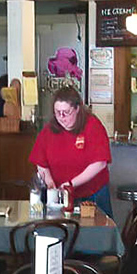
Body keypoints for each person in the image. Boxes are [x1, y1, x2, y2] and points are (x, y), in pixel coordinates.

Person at [29, 85, 113, 217]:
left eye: (66, 112)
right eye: (57, 112)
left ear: (77, 109)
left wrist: (71, 184)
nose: (61, 117)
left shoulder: (92, 126)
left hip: (92, 196)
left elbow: (100, 163)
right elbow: (41, 162)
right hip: (61, 197)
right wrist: (50, 184)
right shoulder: (49, 130)